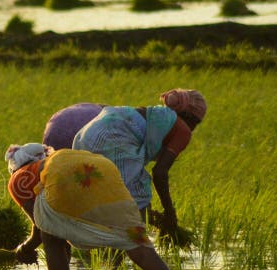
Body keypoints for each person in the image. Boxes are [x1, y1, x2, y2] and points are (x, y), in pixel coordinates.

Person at [6, 144, 182, 270]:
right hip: (102, 169)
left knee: (49, 235)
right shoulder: (57, 158)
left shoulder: (19, 178)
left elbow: (40, 226)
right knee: (138, 244)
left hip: (64, 176)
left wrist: (24, 249)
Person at [72, 89, 206, 243]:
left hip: (86, 135)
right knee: (134, 202)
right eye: (196, 124)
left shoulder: (154, 115)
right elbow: (160, 172)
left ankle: (119, 255)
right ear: (192, 118)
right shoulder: (182, 130)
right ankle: (134, 252)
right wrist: (170, 212)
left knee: (114, 201)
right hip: (112, 138)